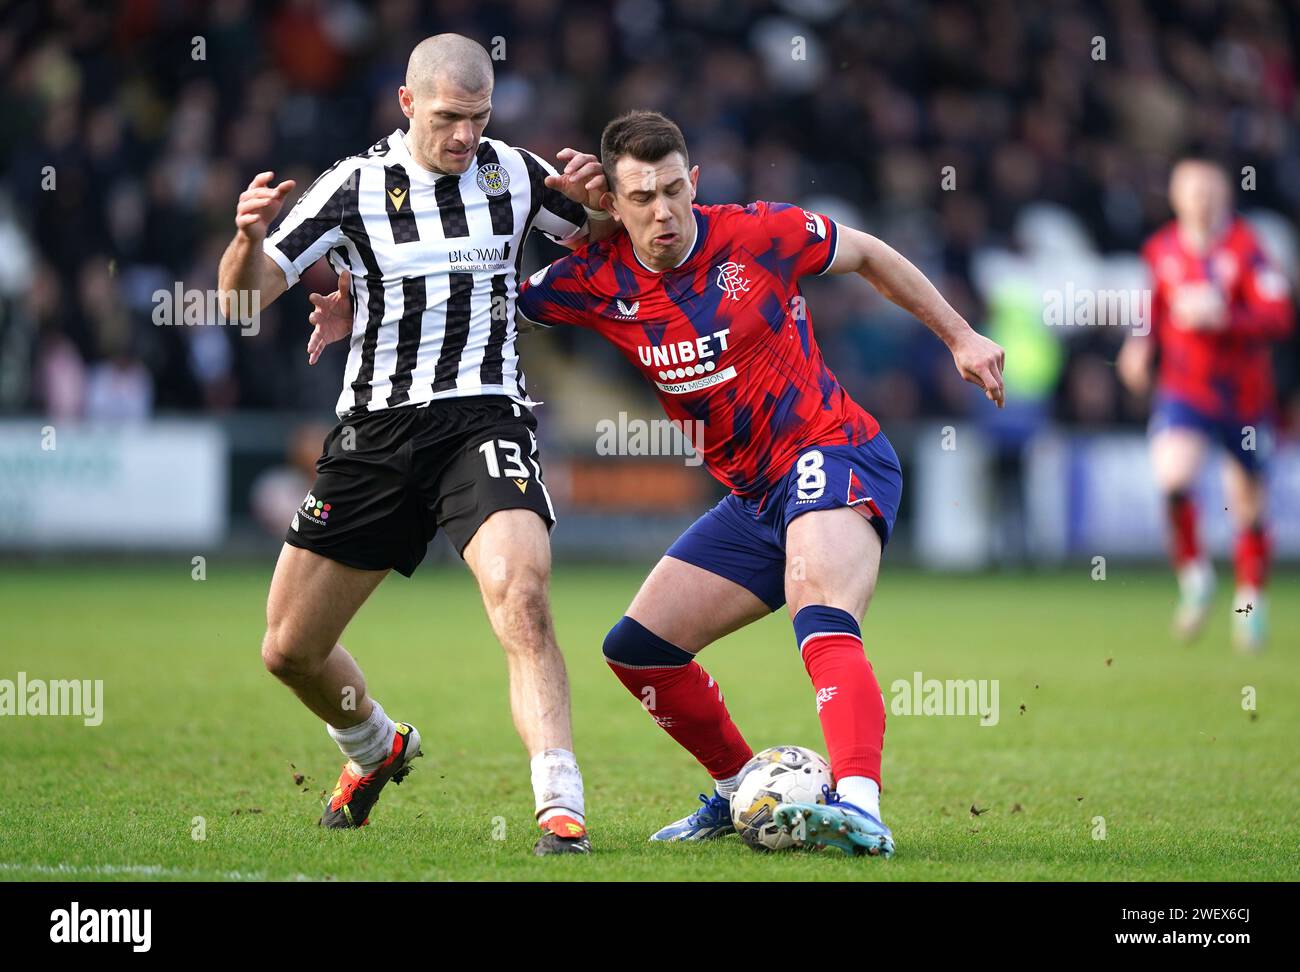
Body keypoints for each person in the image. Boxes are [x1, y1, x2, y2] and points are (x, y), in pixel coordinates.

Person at [515, 111, 1005, 856]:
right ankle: (742, 787)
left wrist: (961, 337)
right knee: (637, 650)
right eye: (641, 198)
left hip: (834, 450)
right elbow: (486, 293)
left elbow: (869, 253)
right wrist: (361, 304)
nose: (664, 211)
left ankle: (862, 806)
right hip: (753, 499)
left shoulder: (757, 233)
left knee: (819, 608)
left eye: (675, 190)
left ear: (695, 183)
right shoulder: (595, 279)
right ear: (612, 204)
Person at [216, 34, 615, 854]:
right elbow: (241, 301)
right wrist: (248, 239)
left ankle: (559, 806)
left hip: (484, 419)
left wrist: (604, 202)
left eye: (478, 117)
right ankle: (374, 746)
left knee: (523, 596)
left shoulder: (514, 172)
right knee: (290, 649)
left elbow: (612, 246)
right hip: (375, 435)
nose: (465, 136)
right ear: (407, 105)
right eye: (447, 118)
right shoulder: (352, 185)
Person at [1118, 159, 1293, 652]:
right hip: (1185, 390)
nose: (1201, 199)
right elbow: (1148, 312)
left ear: (1225, 195)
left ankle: (1249, 604)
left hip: (1244, 398)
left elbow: (1279, 315)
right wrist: (1139, 346)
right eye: (1191, 190)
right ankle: (1196, 578)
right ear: (1175, 197)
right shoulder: (1160, 250)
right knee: (1172, 479)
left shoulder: (1248, 250)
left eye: (1209, 189)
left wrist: (1226, 316)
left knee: (1249, 509)